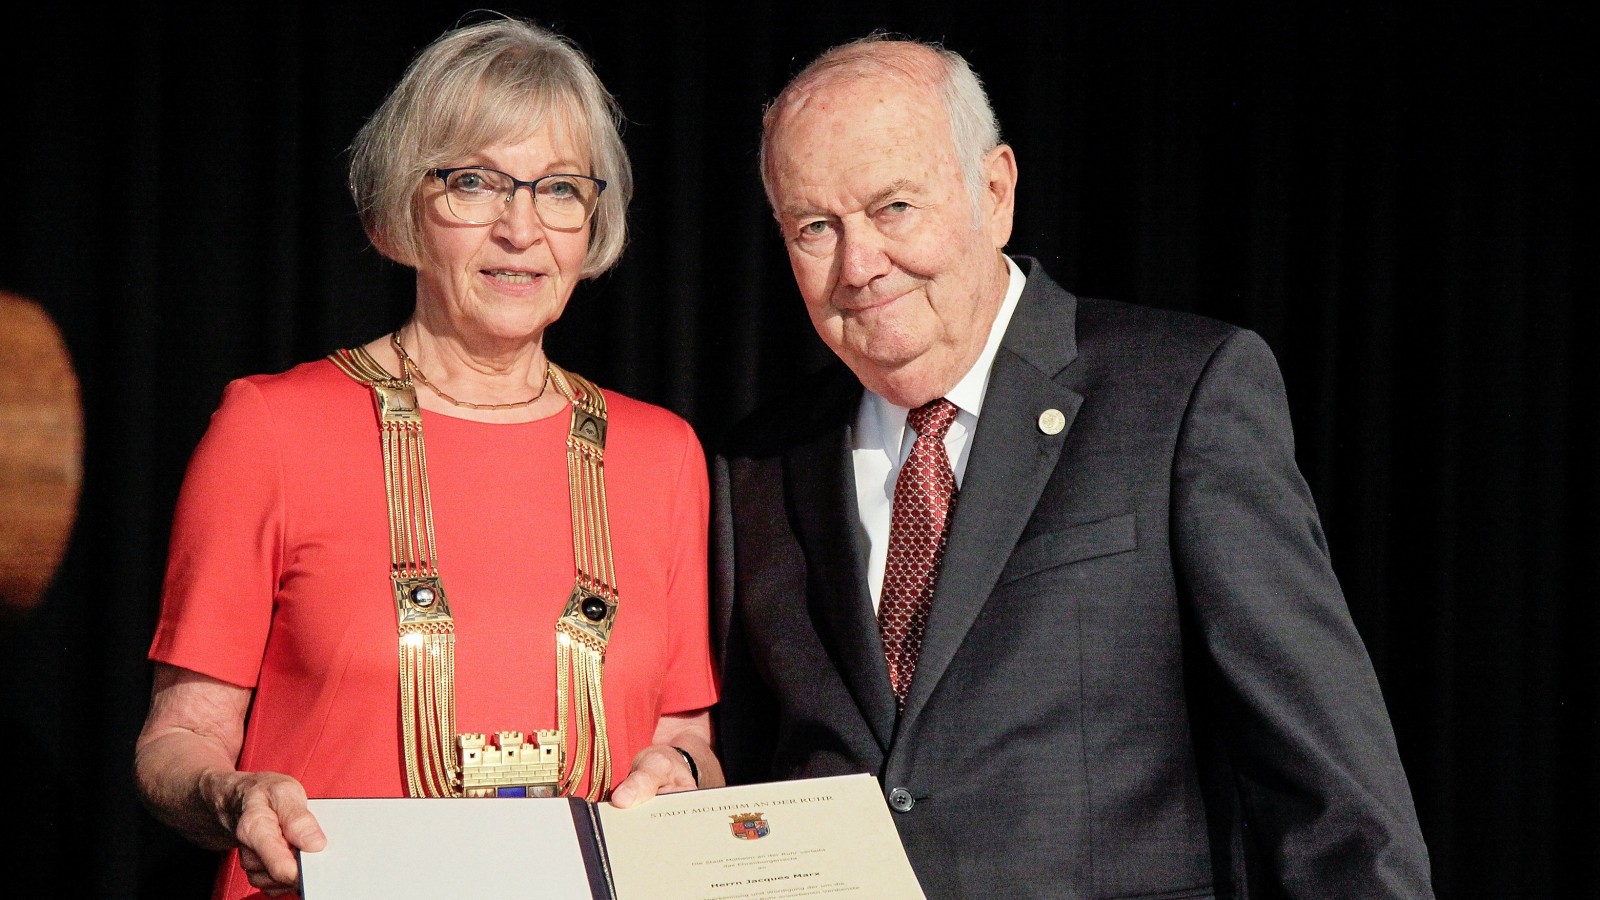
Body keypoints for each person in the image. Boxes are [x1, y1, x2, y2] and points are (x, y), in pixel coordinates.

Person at [712, 35, 1434, 897]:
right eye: (815, 227)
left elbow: (1334, 793)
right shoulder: (756, 465)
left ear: (995, 191)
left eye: (894, 206)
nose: (859, 265)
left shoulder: (1178, 396)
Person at [135, 16, 720, 899]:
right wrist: (234, 794)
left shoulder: (661, 453)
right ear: (405, 206)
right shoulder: (270, 428)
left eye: (559, 189)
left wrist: (683, 779)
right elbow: (178, 741)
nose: (521, 229)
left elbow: (686, 740)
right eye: (475, 183)